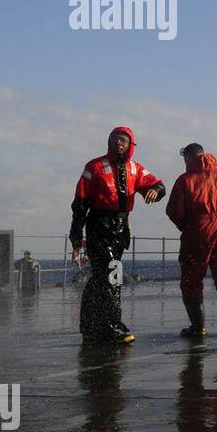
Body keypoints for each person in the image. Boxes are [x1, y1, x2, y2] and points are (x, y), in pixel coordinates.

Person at [69, 126, 166, 344]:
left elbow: (158, 184)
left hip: (120, 229)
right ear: (109, 142)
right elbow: (80, 201)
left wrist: (155, 191)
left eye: (123, 140)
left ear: (130, 145)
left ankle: (91, 326)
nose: (119, 143)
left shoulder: (135, 169)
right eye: (115, 139)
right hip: (98, 226)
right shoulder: (94, 167)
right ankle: (112, 325)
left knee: (101, 278)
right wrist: (76, 231)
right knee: (112, 275)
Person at [166, 143, 217, 340]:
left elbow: (174, 211)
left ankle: (197, 327)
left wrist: (187, 226)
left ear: (188, 158)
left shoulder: (185, 180)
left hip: (198, 231)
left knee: (192, 280)